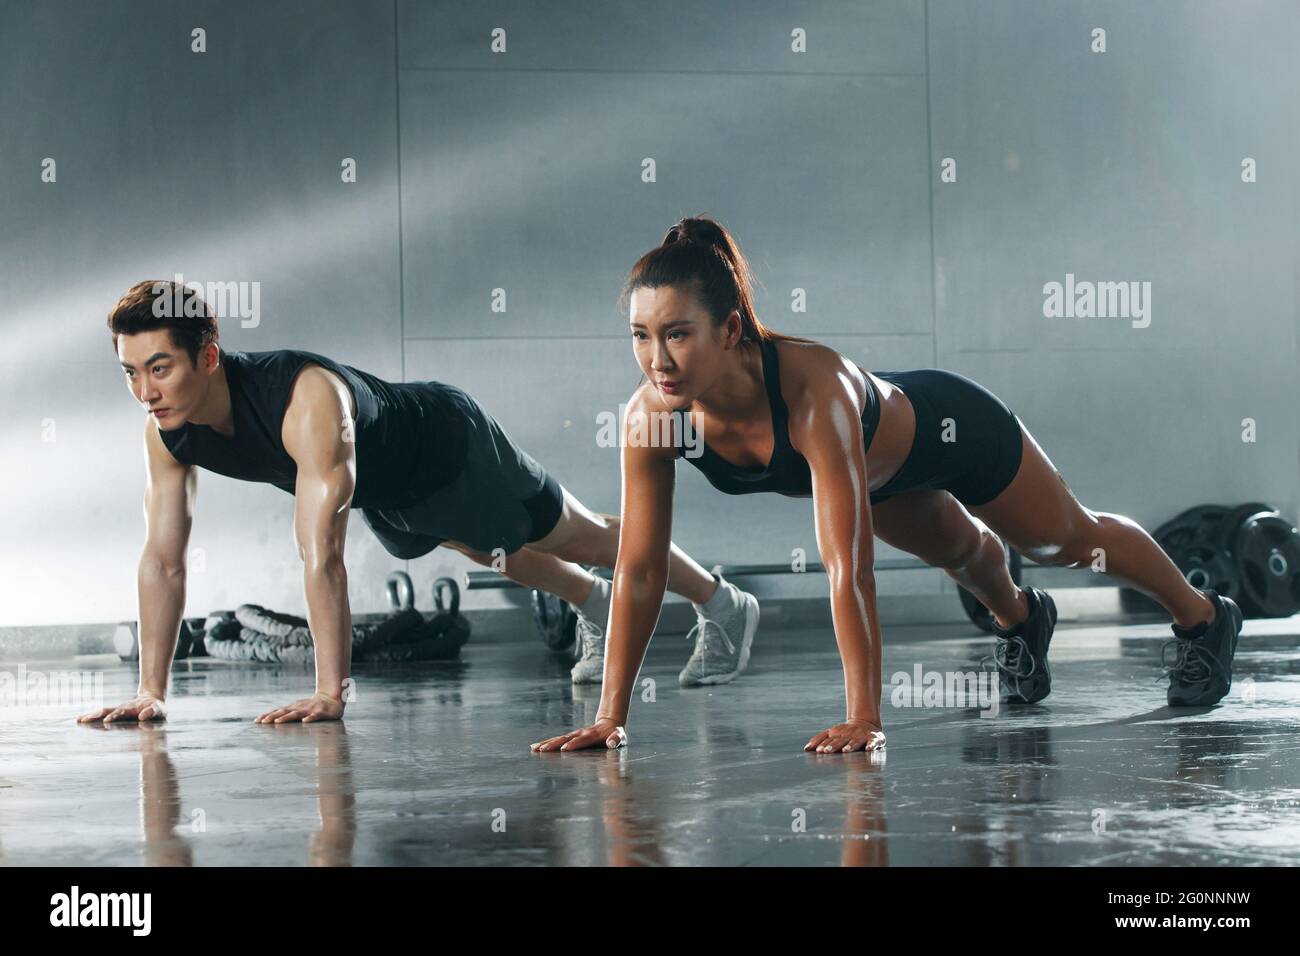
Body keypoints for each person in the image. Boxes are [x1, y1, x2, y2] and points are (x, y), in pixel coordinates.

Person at [531, 216, 1242, 755]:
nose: (658, 359)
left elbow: (848, 568)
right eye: (641, 335)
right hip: (881, 479)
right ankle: (1024, 621)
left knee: (1062, 539)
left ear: (731, 328)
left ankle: (1204, 618)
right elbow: (641, 565)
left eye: (678, 334)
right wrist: (609, 719)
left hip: (950, 427)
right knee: (967, 558)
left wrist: (865, 717)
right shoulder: (653, 417)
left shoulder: (813, 391)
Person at [76, 280, 760, 727]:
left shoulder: (304, 399)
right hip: (391, 490)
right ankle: (594, 603)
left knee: (576, 535)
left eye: (159, 367)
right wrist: (152, 692)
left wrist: (329, 694)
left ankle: (723, 603)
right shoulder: (168, 433)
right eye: (131, 373)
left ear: (209, 357)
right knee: (493, 551)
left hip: (450, 444)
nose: (145, 390)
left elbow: (323, 557)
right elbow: (163, 562)